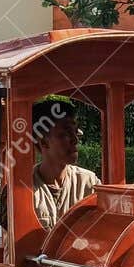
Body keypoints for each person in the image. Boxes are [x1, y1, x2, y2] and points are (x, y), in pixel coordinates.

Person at [29, 99, 100, 231]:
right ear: (44, 142)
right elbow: (15, 247)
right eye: (66, 133)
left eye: (75, 132)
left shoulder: (90, 183)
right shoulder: (22, 189)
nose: (75, 139)